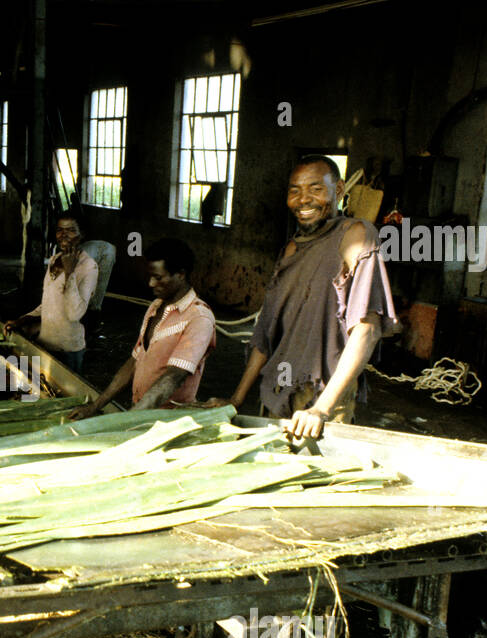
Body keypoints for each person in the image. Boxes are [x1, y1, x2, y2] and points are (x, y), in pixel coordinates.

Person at [202, 155, 399, 438]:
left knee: (313, 477)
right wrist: (236, 400)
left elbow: (366, 330)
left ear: (340, 189)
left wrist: (322, 408)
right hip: (276, 389)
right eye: (294, 190)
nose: (303, 199)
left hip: (322, 396)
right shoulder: (292, 249)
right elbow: (265, 334)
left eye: (316, 189)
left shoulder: (356, 235)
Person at [70, 238, 216, 418]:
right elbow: (134, 362)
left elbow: (174, 376)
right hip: (141, 411)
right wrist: (95, 406)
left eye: (158, 277)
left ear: (181, 274)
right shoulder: (155, 307)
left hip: (168, 420)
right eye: (150, 276)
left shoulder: (199, 318)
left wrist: (128, 419)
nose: (151, 284)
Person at [4, 213, 99, 374]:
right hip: (45, 344)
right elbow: (48, 303)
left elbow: (75, 314)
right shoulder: (55, 260)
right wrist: (21, 320)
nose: (63, 235)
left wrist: (70, 274)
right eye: (59, 230)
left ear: (82, 234)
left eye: (70, 230)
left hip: (68, 350)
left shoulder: (89, 267)